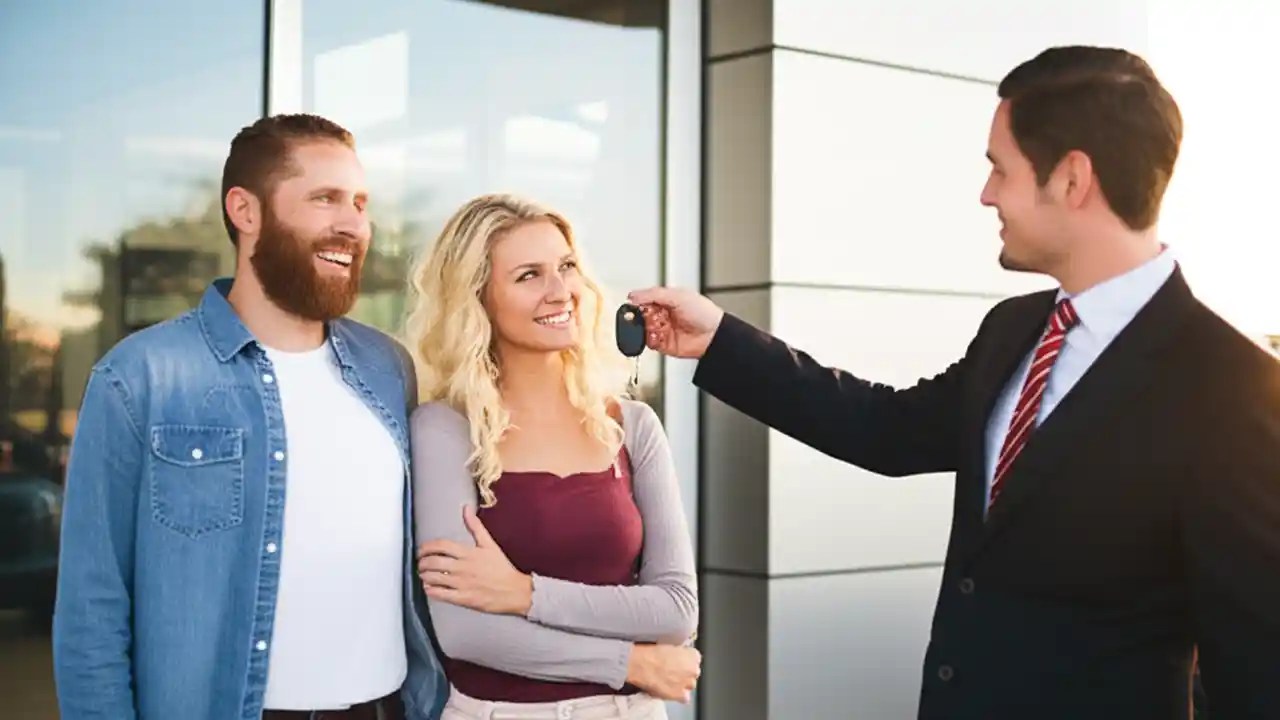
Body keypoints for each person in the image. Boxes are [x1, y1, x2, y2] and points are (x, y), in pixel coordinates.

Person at [629, 45, 1280, 720]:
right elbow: (885, 430)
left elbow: (1256, 675)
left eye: (1000, 168)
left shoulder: (1233, 390)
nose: (986, 193)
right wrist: (722, 340)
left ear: (1072, 179)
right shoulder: (1013, 329)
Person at [52, 114, 448, 720]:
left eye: (361, 204)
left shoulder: (388, 367)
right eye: (325, 199)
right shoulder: (140, 378)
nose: (354, 224)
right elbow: (91, 612)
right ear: (245, 210)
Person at [403, 193, 700, 720]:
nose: (560, 291)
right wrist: (630, 662)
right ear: (478, 300)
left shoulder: (632, 427)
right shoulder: (446, 430)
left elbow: (675, 612)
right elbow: (466, 632)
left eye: (566, 267)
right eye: (528, 276)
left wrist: (521, 593)